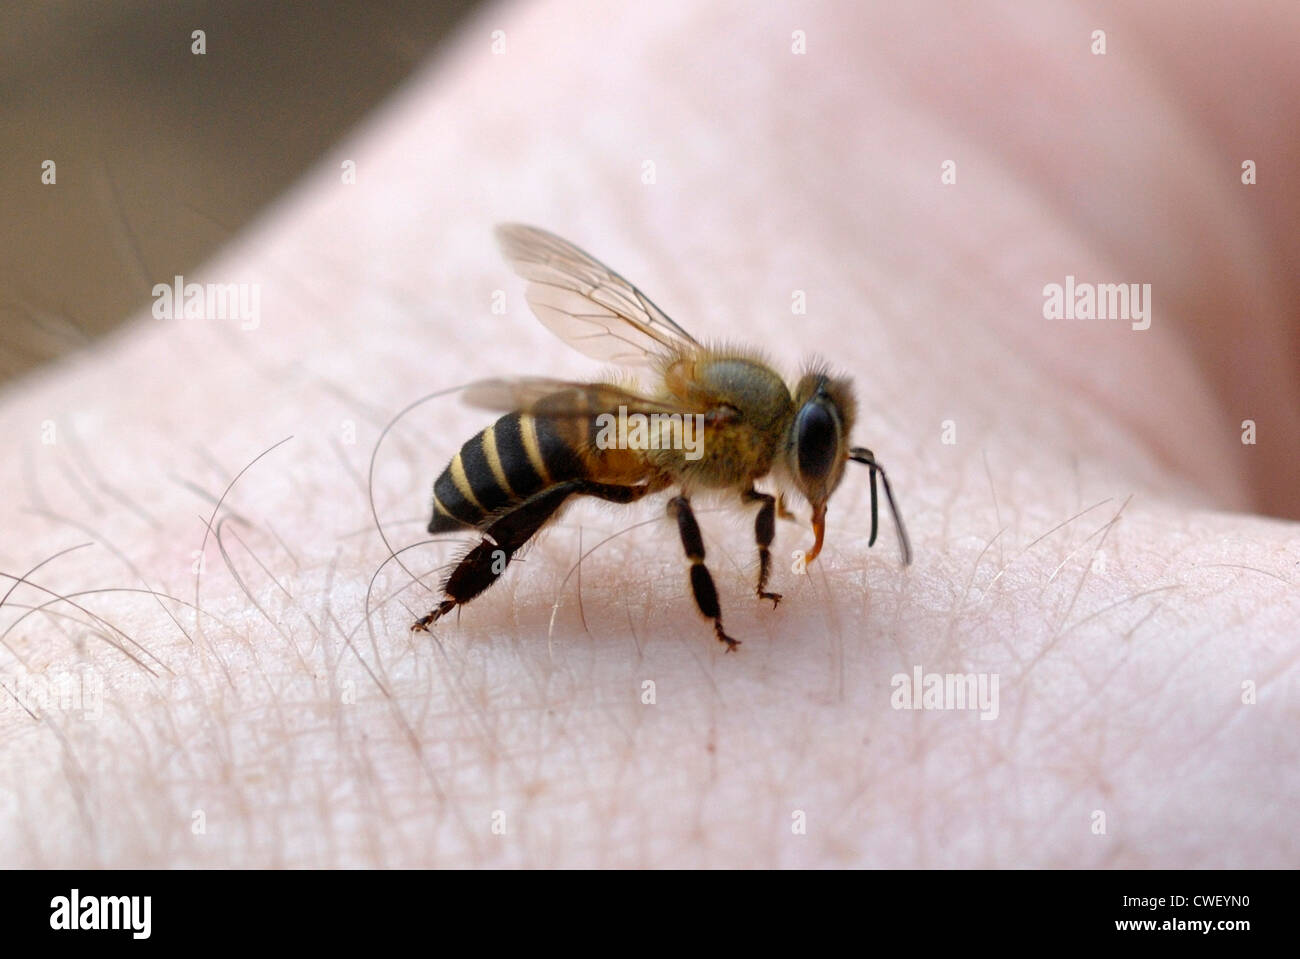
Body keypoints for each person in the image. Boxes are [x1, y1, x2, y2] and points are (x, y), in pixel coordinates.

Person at [1, 0, 1296, 867]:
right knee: (557, 480)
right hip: (556, 449)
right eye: (809, 463)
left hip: (600, 429)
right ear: (777, 440)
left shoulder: (728, 416)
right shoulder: (715, 445)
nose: (810, 475)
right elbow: (678, 495)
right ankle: (456, 600)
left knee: (584, 476)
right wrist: (720, 610)